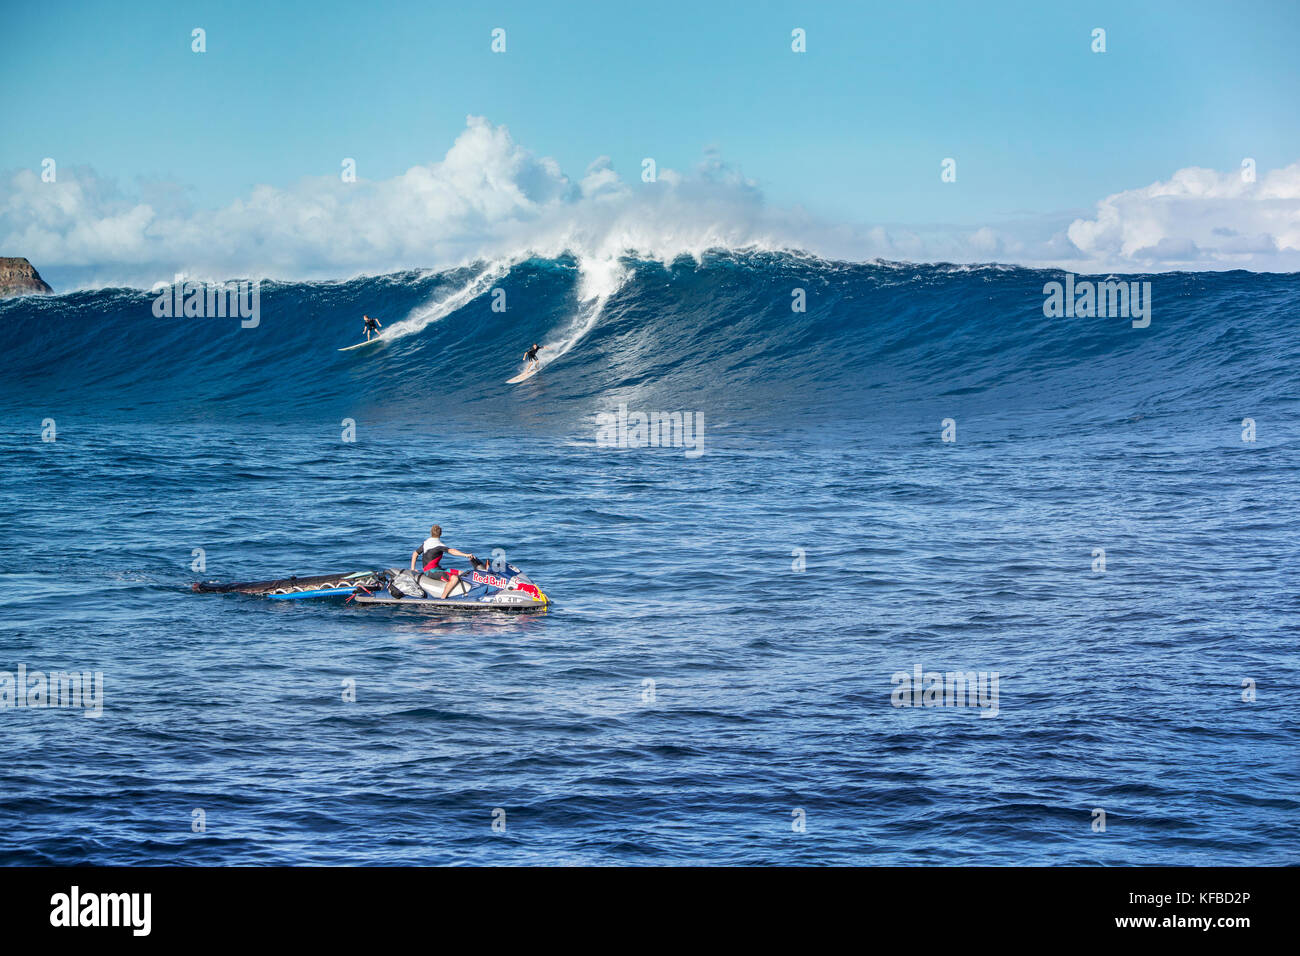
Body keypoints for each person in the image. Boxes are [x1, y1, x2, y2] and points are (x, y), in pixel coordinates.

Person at [410, 525, 477, 599]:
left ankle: (467, 592)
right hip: (431, 572)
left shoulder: (426, 543)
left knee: (462, 573)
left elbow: (415, 553)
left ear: (431, 533)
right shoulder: (439, 545)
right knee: (455, 578)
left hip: (437, 569)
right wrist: (466, 555)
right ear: (441, 534)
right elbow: (452, 551)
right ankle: (443, 598)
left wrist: (413, 568)